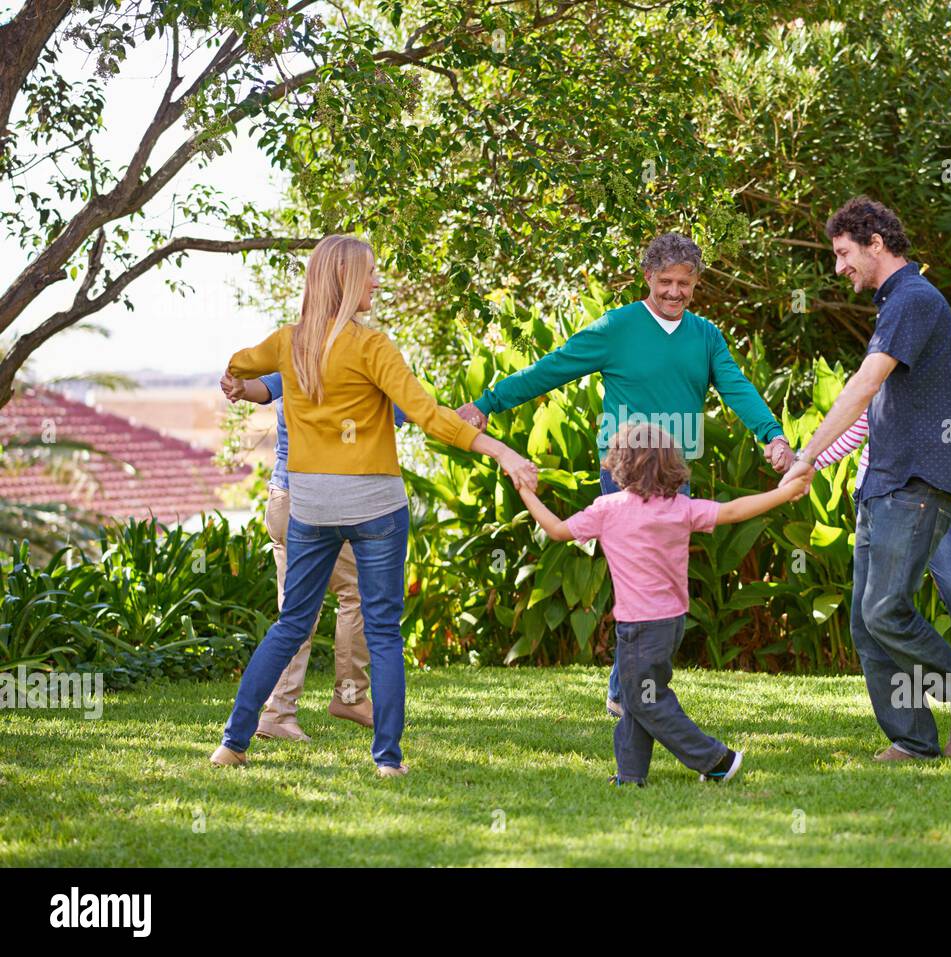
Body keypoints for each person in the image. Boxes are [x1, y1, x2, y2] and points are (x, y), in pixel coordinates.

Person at [209, 234, 537, 776]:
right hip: (375, 511)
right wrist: (500, 449)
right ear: (344, 282)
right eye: (369, 274)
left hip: (310, 509)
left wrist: (234, 379)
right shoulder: (372, 346)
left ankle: (231, 744)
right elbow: (428, 414)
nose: (377, 283)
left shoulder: (287, 343)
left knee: (291, 622)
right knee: (383, 629)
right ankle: (387, 759)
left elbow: (240, 363)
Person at [456, 232, 793, 720]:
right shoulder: (617, 328)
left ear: (696, 283)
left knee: (666, 582)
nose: (675, 291)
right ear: (647, 278)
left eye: (685, 283)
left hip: (675, 473)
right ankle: (627, 690)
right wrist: (486, 403)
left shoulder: (706, 336)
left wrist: (772, 435)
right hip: (626, 473)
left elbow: (736, 388)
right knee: (637, 580)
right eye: (666, 282)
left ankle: (628, 687)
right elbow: (552, 369)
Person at [781, 196, 951, 761]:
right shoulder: (896, 303)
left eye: (843, 252)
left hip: (917, 481)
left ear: (875, 242)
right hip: (883, 482)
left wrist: (808, 456)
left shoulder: (915, 298)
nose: (838, 266)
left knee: (885, 610)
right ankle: (913, 740)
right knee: (866, 623)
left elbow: (864, 384)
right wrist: (818, 462)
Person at [517, 422, 811, 785]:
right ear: (670, 464)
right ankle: (630, 774)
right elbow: (733, 511)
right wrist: (785, 493)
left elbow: (558, 531)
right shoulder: (680, 508)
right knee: (633, 697)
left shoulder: (607, 508)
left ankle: (717, 760)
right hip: (670, 624)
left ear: (620, 464)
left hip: (640, 626)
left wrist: (526, 493)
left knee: (645, 699)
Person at [217, 372, 410, 740]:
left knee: (295, 610)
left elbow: (259, 389)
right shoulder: (349, 363)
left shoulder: (292, 354)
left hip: (282, 496)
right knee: (355, 595)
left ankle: (279, 712)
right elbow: (401, 411)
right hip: (319, 501)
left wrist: (239, 387)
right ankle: (349, 697)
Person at [805, 408, 951, 726]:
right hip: (879, 499)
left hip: (927, 496)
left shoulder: (940, 375)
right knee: (881, 610)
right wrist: (806, 462)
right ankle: (915, 714)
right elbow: (856, 430)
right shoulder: (882, 368)